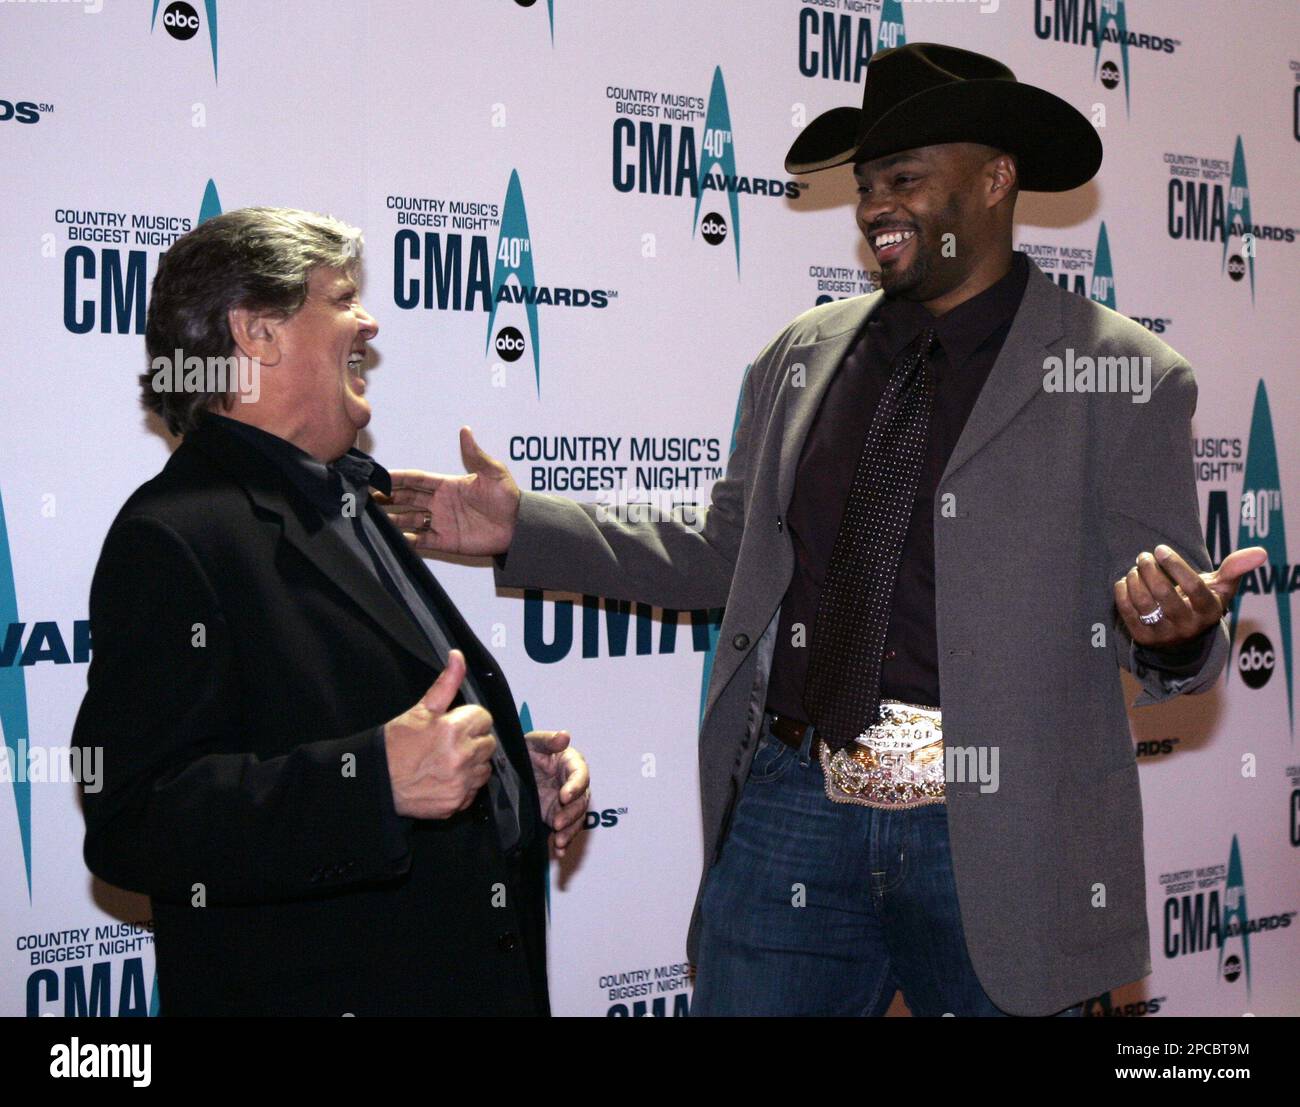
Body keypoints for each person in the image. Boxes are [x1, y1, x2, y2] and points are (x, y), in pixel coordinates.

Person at [383, 44, 1264, 1016]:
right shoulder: (798, 357)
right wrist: (524, 526)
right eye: (865, 183)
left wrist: (1174, 633)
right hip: (792, 810)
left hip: (1005, 834)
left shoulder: (1126, 376)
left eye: (905, 178)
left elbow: (1172, 622)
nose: (875, 205)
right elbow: (723, 552)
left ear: (994, 178)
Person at [74, 207, 588, 1016]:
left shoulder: (338, 499)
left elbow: (350, 724)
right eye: (344, 298)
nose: (369, 321)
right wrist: (373, 781)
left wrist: (507, 777)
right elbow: (133, 817)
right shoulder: (173, 534)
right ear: (257, 333)